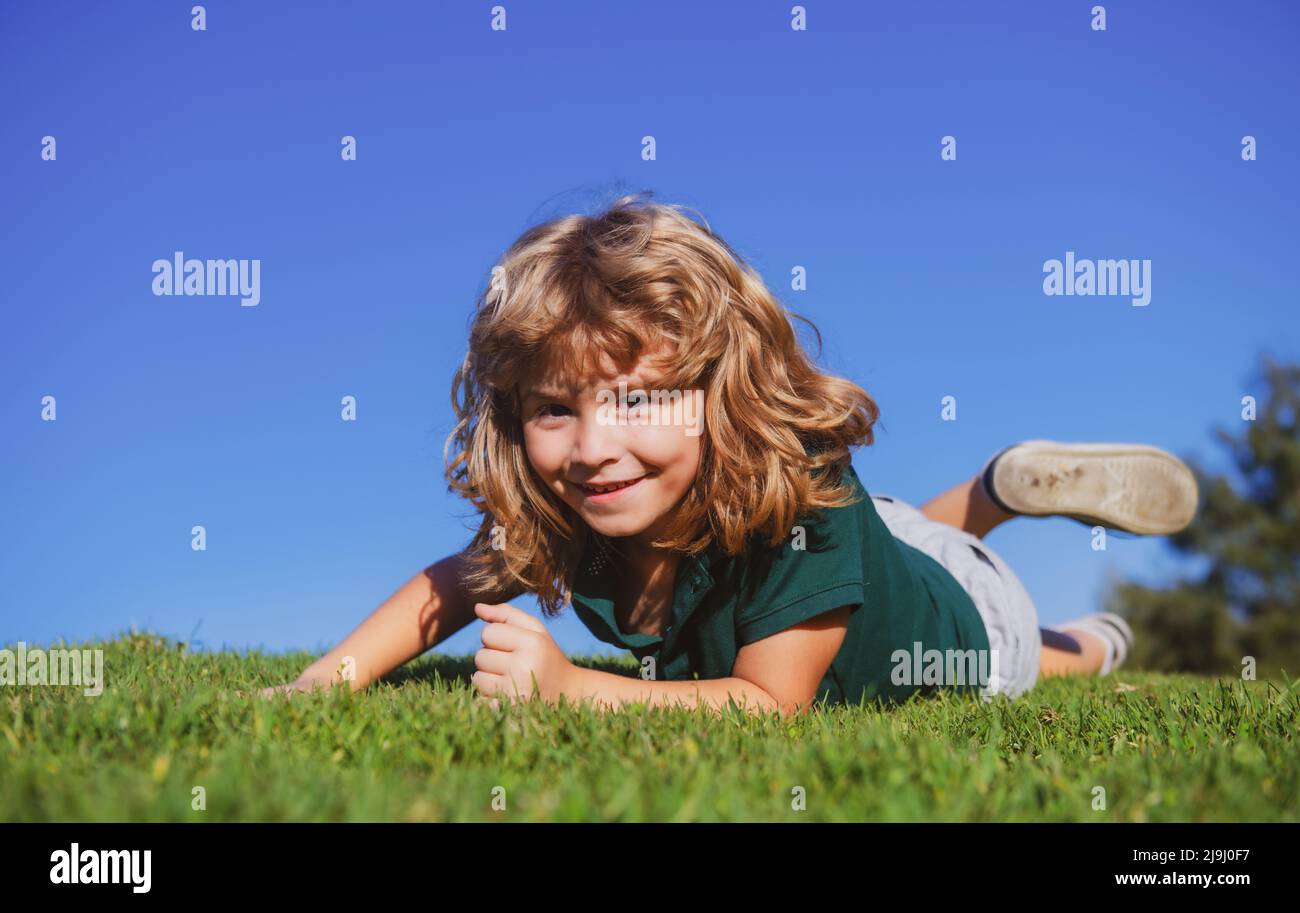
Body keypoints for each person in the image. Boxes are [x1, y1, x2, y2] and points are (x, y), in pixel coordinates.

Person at [265, 194, 1198, 715]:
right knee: (897, 531)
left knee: (1022, 647)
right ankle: (994, 487)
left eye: (637, 399)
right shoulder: (579, 507)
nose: (593, 448)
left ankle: (1094, 634)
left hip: (964, 622)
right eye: (554, 408)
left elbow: (768, 704)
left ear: (724, 392)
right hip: (879, 549)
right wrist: (317, 683)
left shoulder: (803, 498)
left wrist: (570, 685)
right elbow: (452, 584)